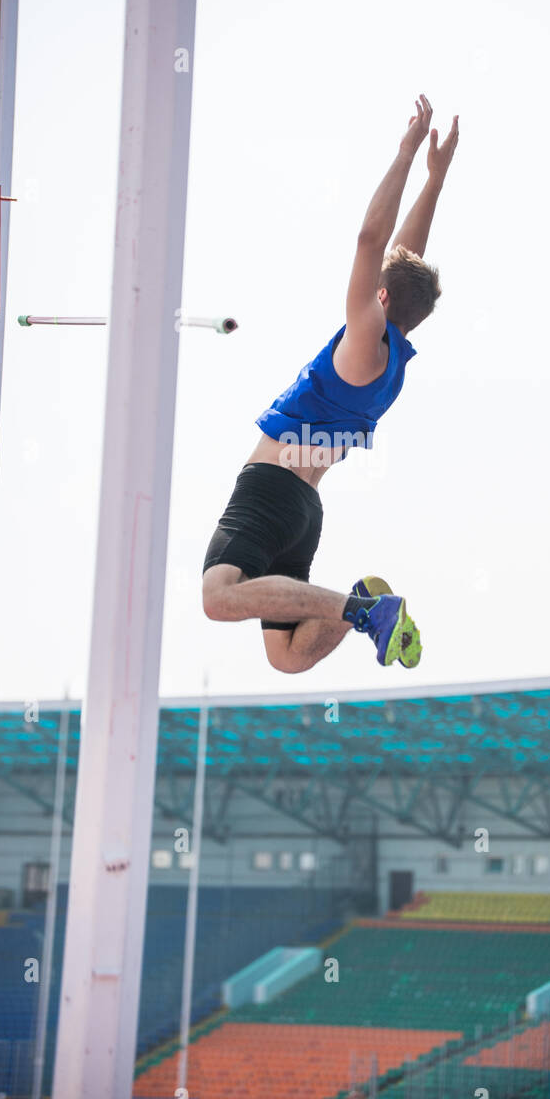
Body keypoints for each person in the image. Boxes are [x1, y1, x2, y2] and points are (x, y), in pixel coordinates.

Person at [202, 94, 459, 673]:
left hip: (271, 490)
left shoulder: (365, 340)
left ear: (383, 298)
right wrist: (433, 183)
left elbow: (374, 242)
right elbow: (402, 256)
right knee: (288, 657)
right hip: (303, 507)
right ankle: (360, 606)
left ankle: (366, 610)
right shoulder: (390, 361)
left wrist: (407, 151)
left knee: (219, 597)